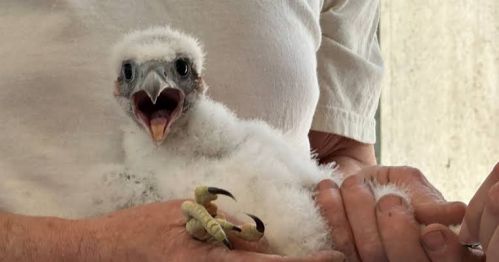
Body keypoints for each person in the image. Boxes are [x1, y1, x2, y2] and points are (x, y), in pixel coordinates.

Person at [0, 0, 466, 260]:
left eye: (179, 70)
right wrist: (93, 246)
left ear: (197, 79)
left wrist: (373, 217)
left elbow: (337, 150)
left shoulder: (235, 138)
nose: (156, 84)